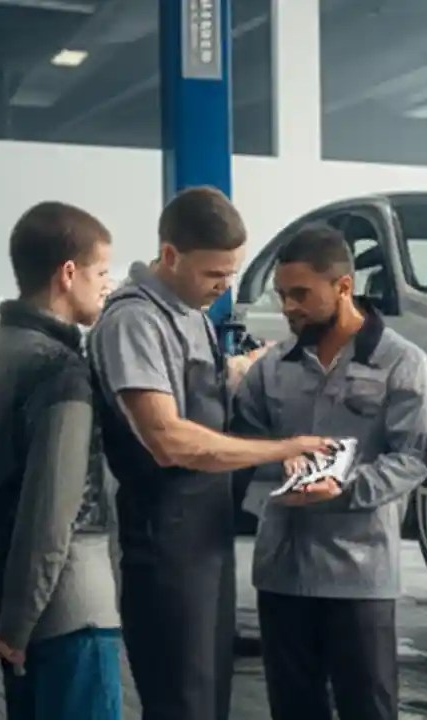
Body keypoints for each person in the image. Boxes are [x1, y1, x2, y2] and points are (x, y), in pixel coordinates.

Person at [86, 186, 335, 720]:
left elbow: (194, 388)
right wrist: (279, 449)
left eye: (232, 274)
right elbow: (168, 438)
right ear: (170, 255)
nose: (223, 287)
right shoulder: (135, 319)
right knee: (182, 701)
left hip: (206, 538)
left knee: (209, 694)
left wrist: (243, 371)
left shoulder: (191, 312)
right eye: (213, 275)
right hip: (164, 545)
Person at [230, 223, 427, 720]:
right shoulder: (273, 366)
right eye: (282, 295)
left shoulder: (402, 363)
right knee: (293, 709)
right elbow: (241, 447)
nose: (288, 307)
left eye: (301, 294)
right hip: (282, 573)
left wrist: (342, 485)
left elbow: (414, 457)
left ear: (343, 287)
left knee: (367, 708)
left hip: (358, 576)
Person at [0, 201, 123, 720]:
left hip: (19, 611)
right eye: (101, 272)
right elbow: (52, 516)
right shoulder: (61, 369)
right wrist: (16, 629)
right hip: (72, 616)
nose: (107, 284)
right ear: (68, 273)